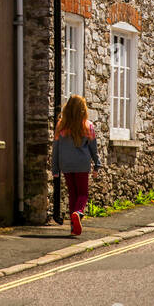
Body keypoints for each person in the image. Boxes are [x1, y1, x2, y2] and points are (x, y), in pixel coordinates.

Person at [51, 95, 100, 236]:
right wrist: (97, 164)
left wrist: (55, 169)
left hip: (65, 164)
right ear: (82, 109)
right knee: (83, 193)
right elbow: (93, 149)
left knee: (73, 193)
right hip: (82, 164)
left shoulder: (60, 126)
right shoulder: (88, 126)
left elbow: (56, 148)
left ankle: (73, 227)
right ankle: (78, 213)